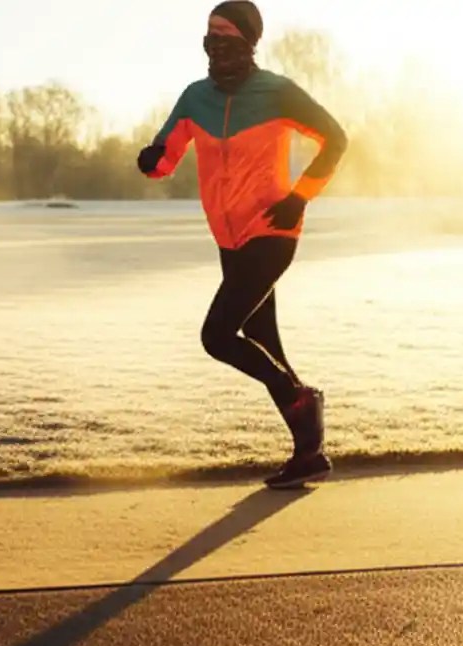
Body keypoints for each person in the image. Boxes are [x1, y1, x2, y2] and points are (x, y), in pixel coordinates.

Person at [137, 1, 347, 489]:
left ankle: (304, 399)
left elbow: (335, 138)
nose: (217, 50)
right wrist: (150, 161)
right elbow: (165, 155)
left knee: (217, 336)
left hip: (273, 231)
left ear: (249, 44)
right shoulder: (195, 98)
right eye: (210, 42)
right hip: (229, 239)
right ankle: (309, 453)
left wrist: (300, 196)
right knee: (263, 342)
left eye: (227, 41)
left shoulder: (276, 92)